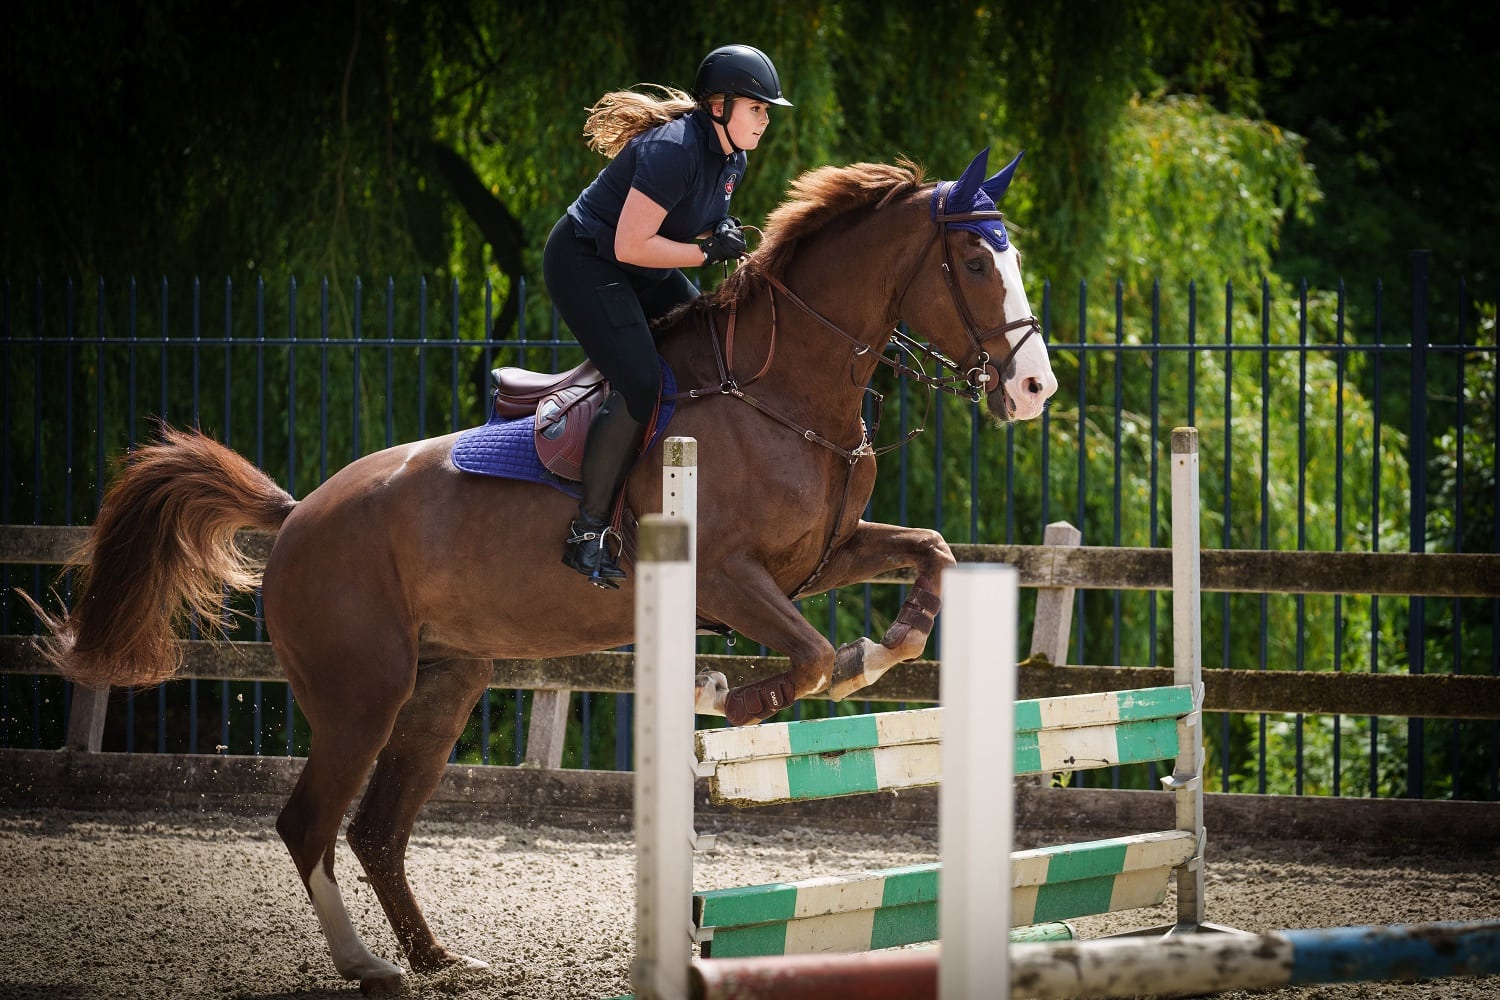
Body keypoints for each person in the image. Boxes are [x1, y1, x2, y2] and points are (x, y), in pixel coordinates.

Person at [543, 44, 793, 588]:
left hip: (631, 262)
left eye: (768, 110)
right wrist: (706, 253)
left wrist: (714, 235)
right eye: (758, 108)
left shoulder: (733, 159)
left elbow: (680, 223)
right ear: (720, 106)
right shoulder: (673, 149)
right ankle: (587, 532)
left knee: (707, 340)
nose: (766, 119)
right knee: (639, 381)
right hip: (586, 260)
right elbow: (631, 245)